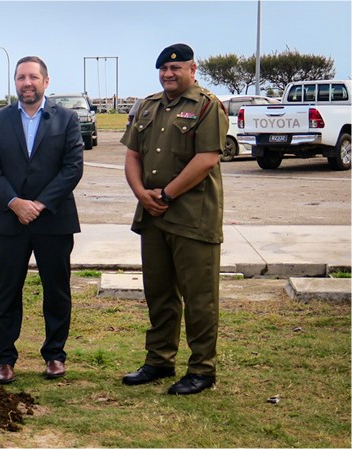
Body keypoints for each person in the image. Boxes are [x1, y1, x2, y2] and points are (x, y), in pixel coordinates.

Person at [120, 43, 228, 395]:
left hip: (193, 217)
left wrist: (166, 194)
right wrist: (141, 193)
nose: (168, 74)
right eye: (164, 69)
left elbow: (207, 159)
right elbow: (133, 155)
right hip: (153, 216)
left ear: (192, 69)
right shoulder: (148, 106)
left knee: (199, 297)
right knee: (159, 293)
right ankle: (159, 360)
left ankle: (201, 369)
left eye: (176, 68)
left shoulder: (207, 106)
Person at [0, 56, 84, 385]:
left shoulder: (66, 119)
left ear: (46, 81)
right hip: (9, 221)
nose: (28, 83)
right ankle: (5, 360)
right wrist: (14, 202)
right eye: (21, 77)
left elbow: (73, 167)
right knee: (6, 291)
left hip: (53, 219)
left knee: (56, 290)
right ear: (15, 82)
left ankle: (55, 355)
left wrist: (38, 204)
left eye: (33, 77)